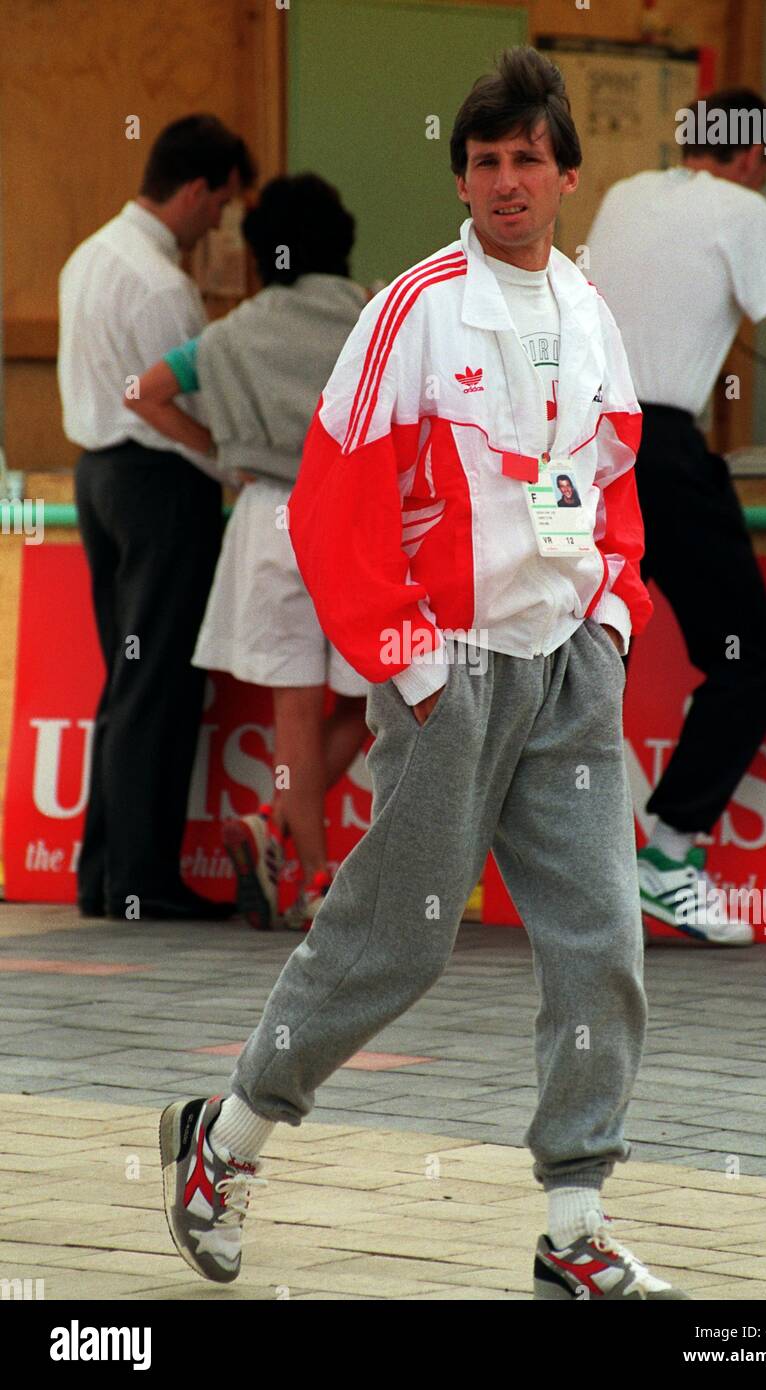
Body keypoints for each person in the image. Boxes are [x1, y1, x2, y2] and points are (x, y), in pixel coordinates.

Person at [160, 46, 690, 1301]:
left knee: (601, 939)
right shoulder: (412, 308)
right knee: (393, 944)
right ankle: (224, 1141)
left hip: (566, 672)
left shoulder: (594, 315)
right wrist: (409, 663)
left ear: (567, 173)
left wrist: (612, 621)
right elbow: (332, 506)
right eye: (484, 160)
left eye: (527, 160)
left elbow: (613, 491)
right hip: (445, 671)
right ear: (463, 174)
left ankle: (573, 1223)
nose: (505, 182)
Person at [587, 88, 766, 947]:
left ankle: (554, 862)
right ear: (752, 157)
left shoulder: (624, 195)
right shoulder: (745, 209)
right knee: (753, 659)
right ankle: (669, 857)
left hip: (583, 447)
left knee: (579, 653)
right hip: (660, 451)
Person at [126, 175, 371, 932]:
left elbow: (144, 390)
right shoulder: (374, 316)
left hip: (269, 518)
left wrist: (223, 450)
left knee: (291, 710)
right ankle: (282, 836)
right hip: (355, 519)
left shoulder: (232, 334)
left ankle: (308, 873)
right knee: (374, 701)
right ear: (342, 239)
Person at [58, 114, 255, 922]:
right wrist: (234, 463)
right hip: (160, 485)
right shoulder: (162, 284)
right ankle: (144, 881)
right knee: (159, 685)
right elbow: (178, 399)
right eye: (223, 206)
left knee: (127, 680)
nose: (221, 225)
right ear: (197, 190)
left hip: (97, 478)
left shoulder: (89, 256)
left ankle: (104, 876)